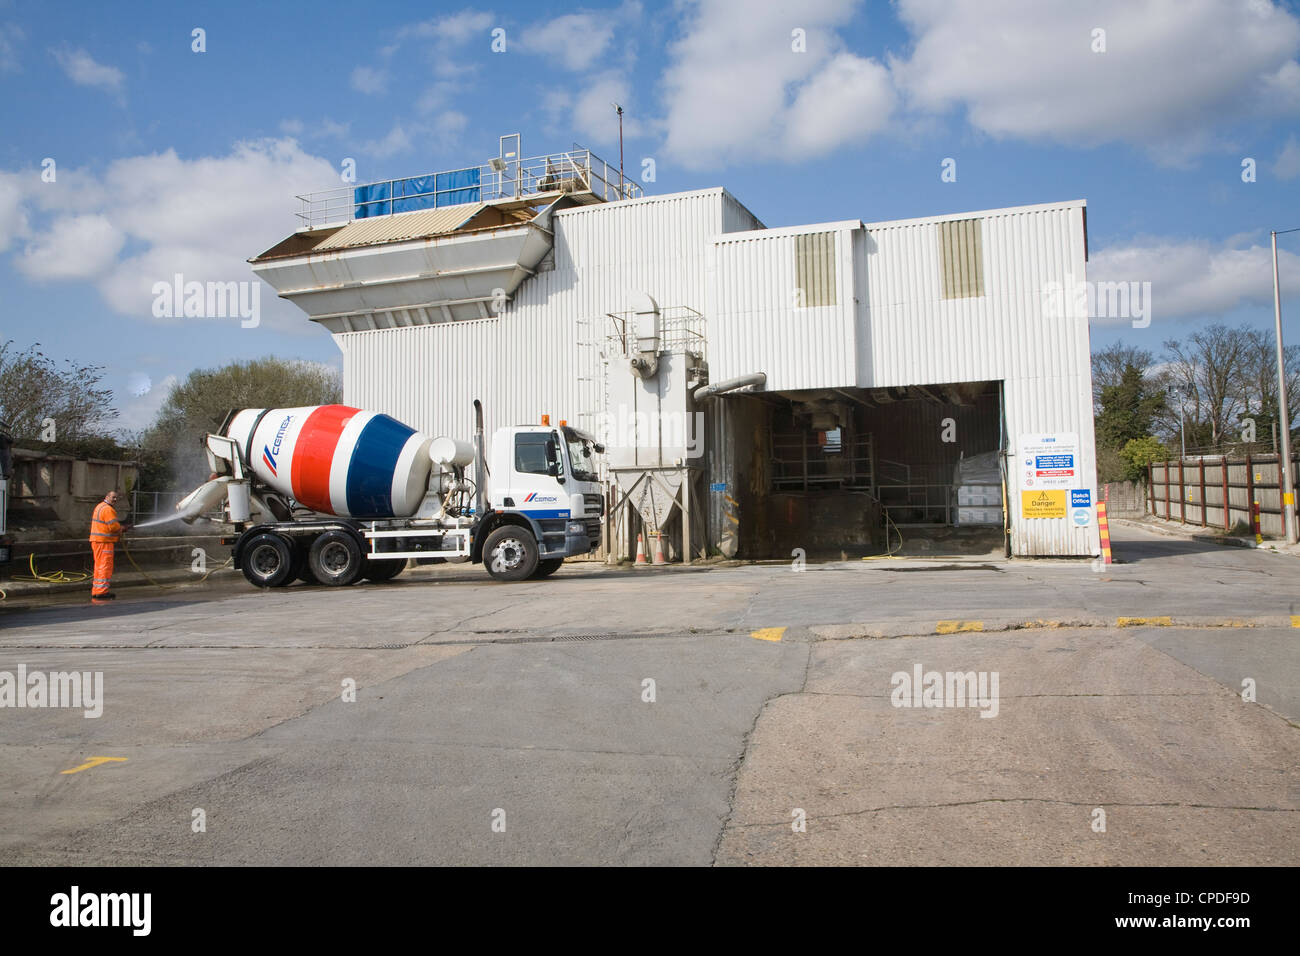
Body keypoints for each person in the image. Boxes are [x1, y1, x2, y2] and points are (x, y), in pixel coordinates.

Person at [89, 490, 131, 602]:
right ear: (107, 496)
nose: (115, 500)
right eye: (113, 497)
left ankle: (96, 591)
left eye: (116, 498)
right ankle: (102, 592)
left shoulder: (99, 506)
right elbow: (113, 527)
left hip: (97, 541)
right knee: (105, 566)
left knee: (98, 567)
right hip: (104, 542)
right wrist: (123, 528)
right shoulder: (108, 509)